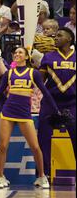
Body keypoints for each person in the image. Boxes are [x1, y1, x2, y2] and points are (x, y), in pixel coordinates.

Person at [0, 47, 60, 189]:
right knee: (2, 146)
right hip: (7, 112)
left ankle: (42, 176)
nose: (17, 54)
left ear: (26, 57)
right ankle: (0, 177)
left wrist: (56, 110)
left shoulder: (34, 73)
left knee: (35, 146)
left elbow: (46, 92)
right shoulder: (9, 73)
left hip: (25, 113)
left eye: (20, 52)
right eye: (15, 52)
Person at [38, 27, 76, 177]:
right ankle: (43, 174)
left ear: (69, 39)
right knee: (43, 138)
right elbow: (40, 81)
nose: (56, 37)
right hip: (50, 102)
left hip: (73, 102)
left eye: (60, 35)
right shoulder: (47, 57)